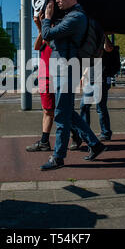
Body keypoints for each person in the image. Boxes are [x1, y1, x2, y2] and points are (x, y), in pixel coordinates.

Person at [39, 0, 107, 170]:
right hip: (64, 68)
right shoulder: (71, 16)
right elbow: (51, 41)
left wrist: (47, 17)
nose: (57, 1)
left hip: (68, 69)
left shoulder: (76, 17)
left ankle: (58, 157)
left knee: (61, 114)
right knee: (68, 111)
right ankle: (95, 144)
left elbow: (47, 35)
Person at [26, 16, 82, 152]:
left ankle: (75, 134)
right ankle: (45, 141)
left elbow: (49, 40)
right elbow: (37, 46)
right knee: (48, 110)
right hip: (44, 76)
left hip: (56, 75)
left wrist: (40, 26)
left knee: (57, 110)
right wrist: (41, 28)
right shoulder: (46, 34)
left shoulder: (60, 34)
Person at [72, 35, 114, 149]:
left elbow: (109, 48)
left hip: (101, 79)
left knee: (100, 107)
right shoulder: (89, 45)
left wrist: (103, 34)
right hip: (90, 80)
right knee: (84, 106)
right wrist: (83, 76)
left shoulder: (103, 42)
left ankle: (105, 132)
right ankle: (86, 133)